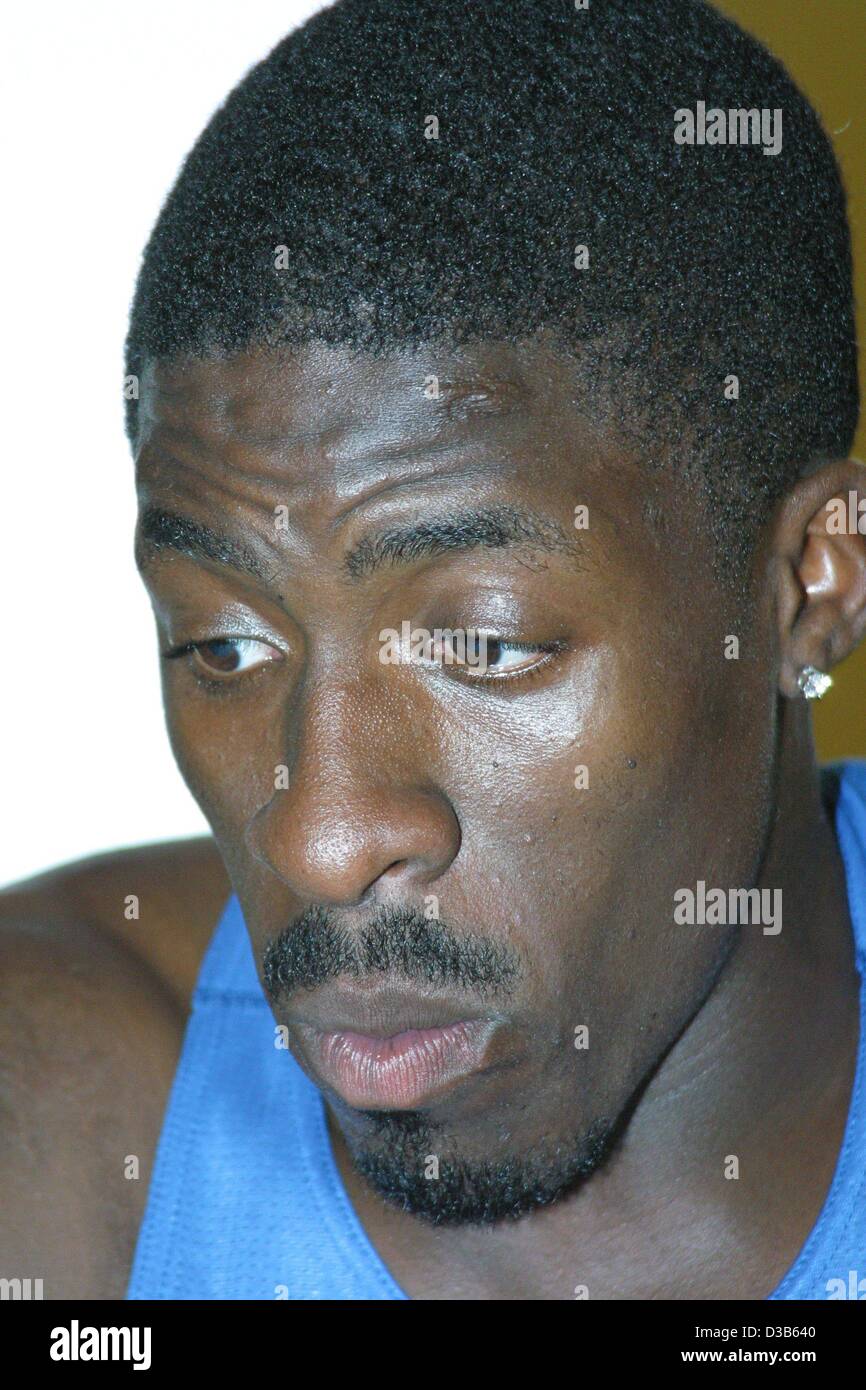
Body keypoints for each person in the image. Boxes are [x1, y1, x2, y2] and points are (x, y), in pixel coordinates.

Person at [2, 0, 865, 1301]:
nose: (321, 838)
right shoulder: (63, 1101)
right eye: (225, 645)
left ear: (811, 579)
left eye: (484, 642)